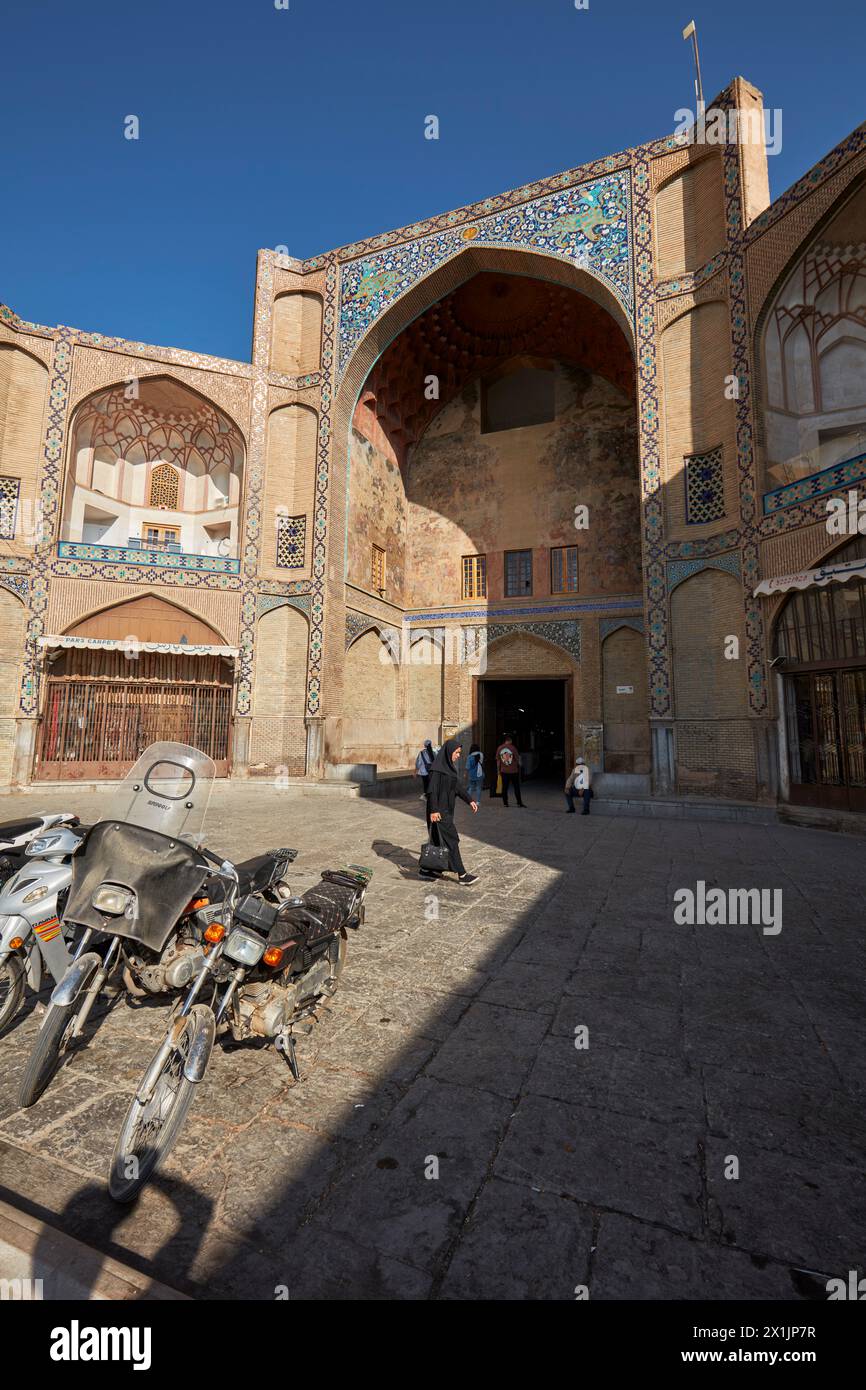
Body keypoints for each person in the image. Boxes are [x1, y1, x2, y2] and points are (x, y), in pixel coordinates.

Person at [422, 737, 479, 885]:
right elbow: (432, 791)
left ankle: (428, 869)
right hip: (439, 812)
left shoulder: (449, 769)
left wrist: (470, 800)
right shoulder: (437, 770)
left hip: (446, 810)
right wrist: (434, 810)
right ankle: (462, 874)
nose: (458, 755)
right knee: (452, 840)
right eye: (457, 752)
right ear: (449, 752)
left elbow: (458, 788)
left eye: (460, 752)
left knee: (436, 840)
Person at [496, 733, 525, 808]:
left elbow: (498, 761)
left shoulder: (499, 748)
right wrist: (520, 765)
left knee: (504, 787)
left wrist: (498, 770)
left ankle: (505, 803)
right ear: (509, 740)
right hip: (513, 771)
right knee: (516, 787)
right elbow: (518, 759)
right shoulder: (513, 748)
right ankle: (519, 803)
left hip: (504, 771)